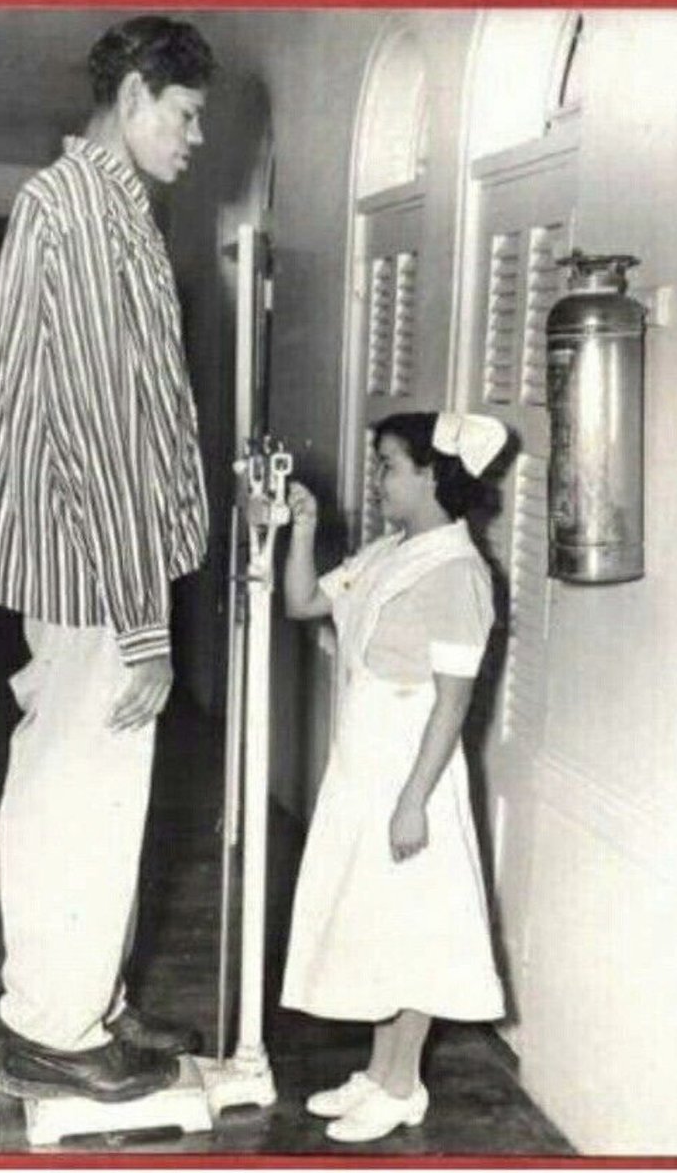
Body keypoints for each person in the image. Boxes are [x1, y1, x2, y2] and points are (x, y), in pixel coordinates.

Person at [0, 15, 215, 1103]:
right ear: (135, 94)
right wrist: (146, 623)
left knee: (99, 791)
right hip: (92, 563)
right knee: (74, 792)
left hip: (101, 555)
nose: (193, 138)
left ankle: (89, 1000)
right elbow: (101, 426)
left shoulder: (115, 208)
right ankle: (53, 1025)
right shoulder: (79, 209)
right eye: (184, 114)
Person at [281, 411, 509, 1143]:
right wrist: (302, 527)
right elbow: (302, 603)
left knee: (414, 928)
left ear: (430, 476)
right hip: (365, 761)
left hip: (415, 769)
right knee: (376, 919)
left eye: (387, 465)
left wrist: (413, 802)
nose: (377, 478)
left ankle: (404, 1084)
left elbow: (453, 702)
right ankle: (380, 1074)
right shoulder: (393, 551)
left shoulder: (459, 573)